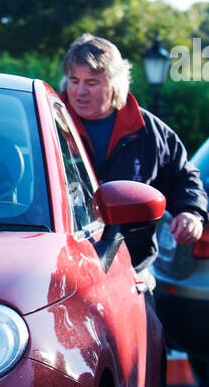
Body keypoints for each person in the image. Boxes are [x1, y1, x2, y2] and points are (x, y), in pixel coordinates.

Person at [60, 34, 208, 271]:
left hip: (133, 269)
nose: (79, 91)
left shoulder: (149, 131)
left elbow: (183, 176)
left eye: (92, 82)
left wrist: (191, 212)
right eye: (74, 80)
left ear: (115, 83)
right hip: (63, 264)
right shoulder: (49, 123)